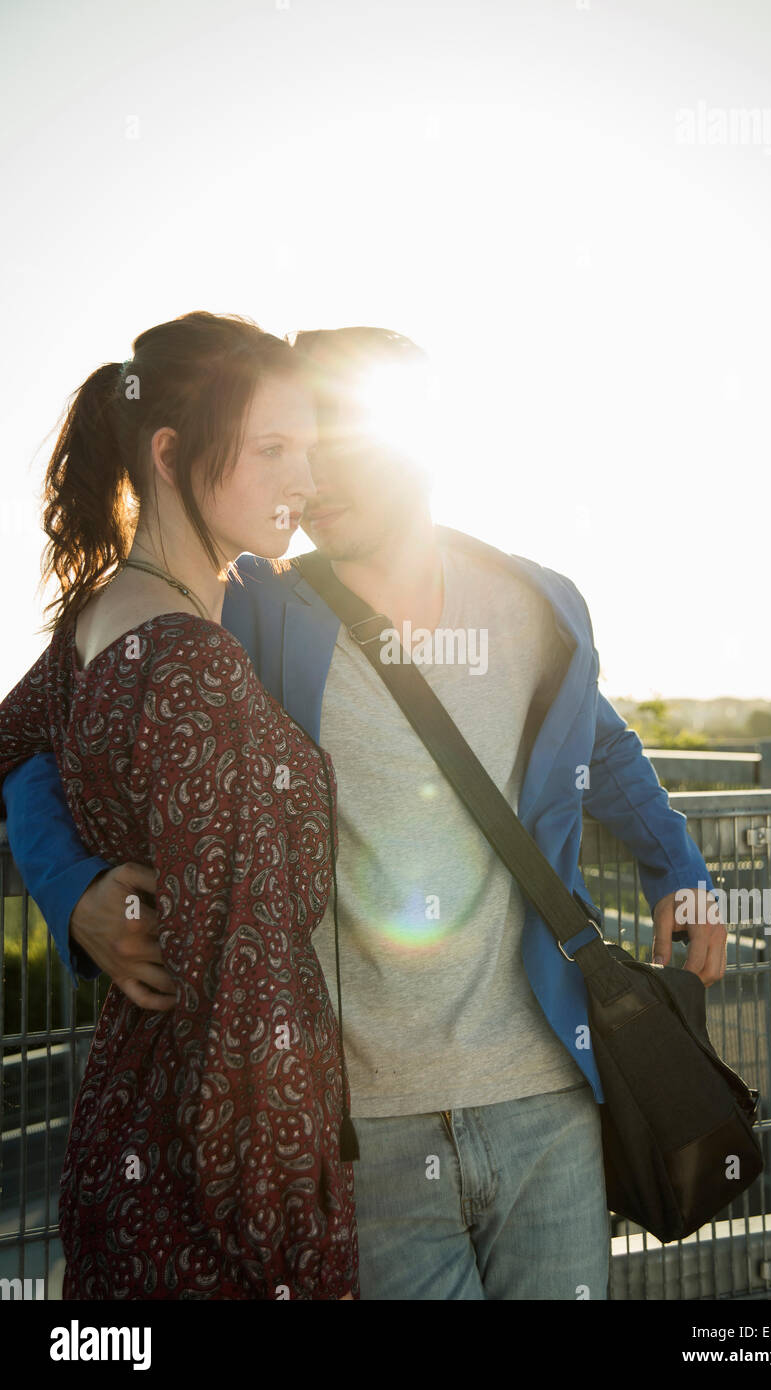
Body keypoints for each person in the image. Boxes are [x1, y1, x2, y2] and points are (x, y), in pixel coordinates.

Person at [3, 326, 725, 1301]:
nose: (311, 478)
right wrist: (74, 887)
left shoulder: (536, 603)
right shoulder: (249, 605)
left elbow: (605, 747)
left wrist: (679, 867)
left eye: (336, 443)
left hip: (547, 1095)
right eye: (292, 447)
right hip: (359, 1121)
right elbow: (42, 729)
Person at [0, 312, 358, 1300]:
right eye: (275, 448)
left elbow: (10, 738)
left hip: (126, 1138)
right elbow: (241, 994)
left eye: (312, 448)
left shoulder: (100, 617)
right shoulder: (193, 662)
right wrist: (295, 1245)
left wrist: (72, 884)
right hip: (215, 1211)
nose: (308, 480)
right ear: (169, 453)